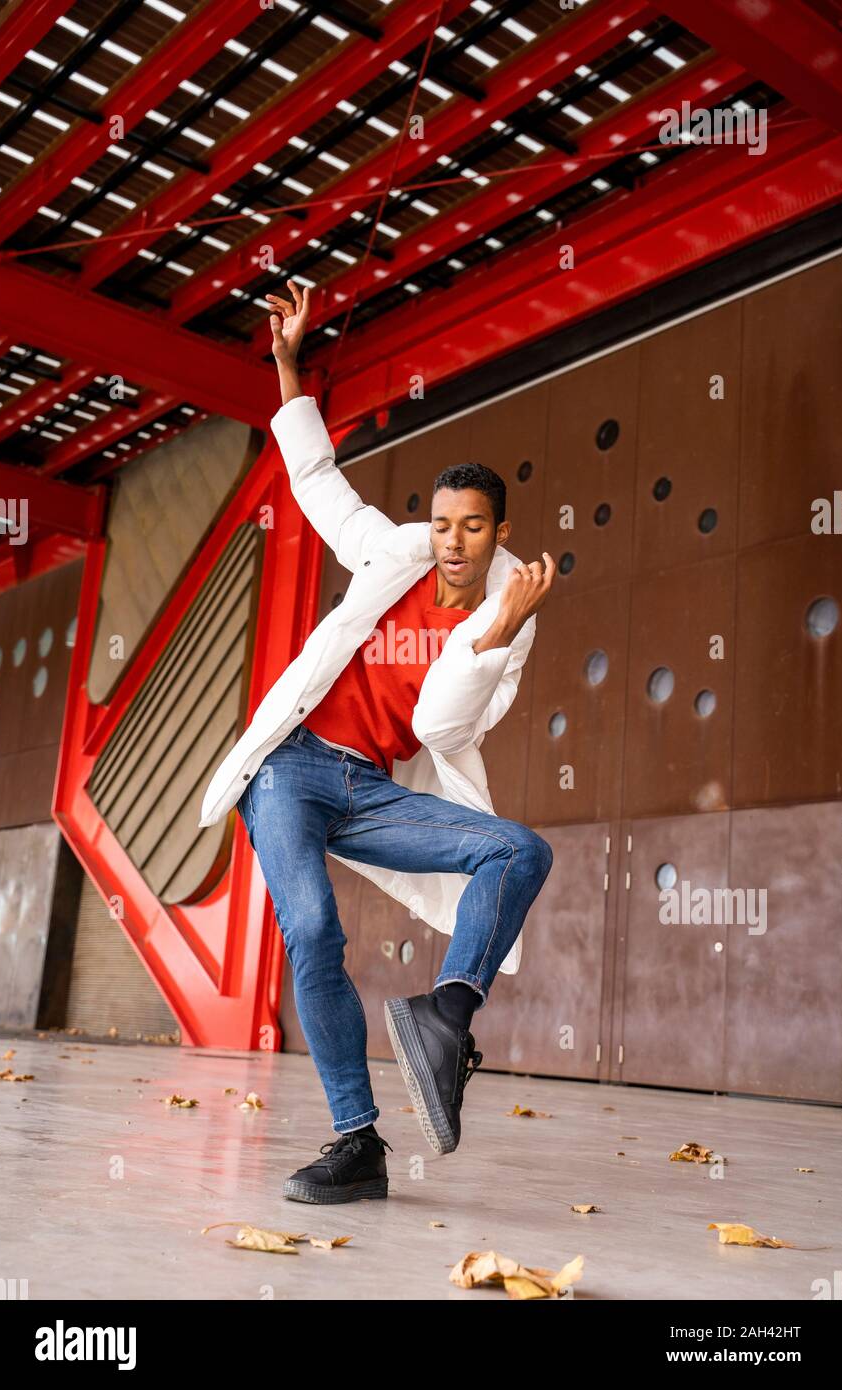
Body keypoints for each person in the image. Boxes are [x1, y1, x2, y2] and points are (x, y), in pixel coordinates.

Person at [202, 280, 556, 1204]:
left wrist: (489, 633)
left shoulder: (507, 621)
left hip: (368, 788)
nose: (451, 542)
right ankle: (357, 1144)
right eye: (442, 523)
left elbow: (442, 724)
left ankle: (447, 1015)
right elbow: (318, 485)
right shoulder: (389, 554)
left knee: (519, 850)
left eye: (472, 529)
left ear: (498, 536)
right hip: (288, 769)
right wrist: (288, 364)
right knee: (312, 928)